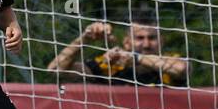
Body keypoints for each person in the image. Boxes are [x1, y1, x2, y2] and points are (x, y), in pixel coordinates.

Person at [47, 19, 187, 85]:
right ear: (127, 42)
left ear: (161, 41)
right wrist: (85, 38)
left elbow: (181, 69)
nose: (146, 44)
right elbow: (55, 70)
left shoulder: (171, 60)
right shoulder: (111, 65)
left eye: (152, 38)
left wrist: (135, 58)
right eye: (139, 38)